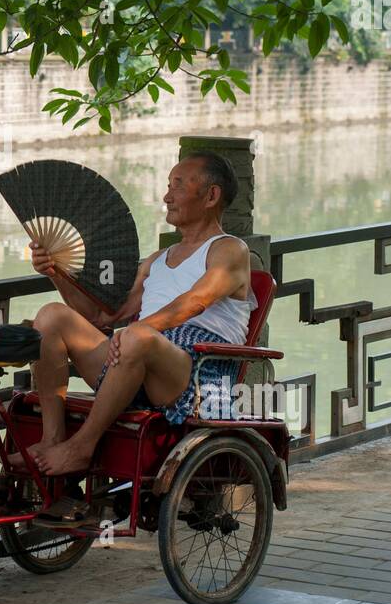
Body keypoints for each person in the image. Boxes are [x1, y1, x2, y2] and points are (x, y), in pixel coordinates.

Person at [28, 152, 256, 478]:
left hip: (198, 373)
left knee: (138, 335)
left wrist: (138, 330)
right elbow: (101, 317)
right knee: (52, 316)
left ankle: (82, 447)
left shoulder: (229, 249)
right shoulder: (158, 259)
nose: (167, 196)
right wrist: (55, 272)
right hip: (135, 358)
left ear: (211, 195)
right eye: (168, 185)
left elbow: (196, 300)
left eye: (177, 185)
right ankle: (52, 438)